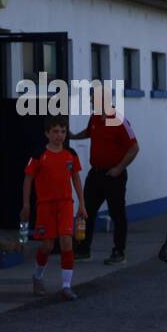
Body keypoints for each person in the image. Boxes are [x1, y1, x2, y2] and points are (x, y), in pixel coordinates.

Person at [71, 86, 138, 264]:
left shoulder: (118, 119)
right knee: (86, 212)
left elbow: (134, 148)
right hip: (96, 174)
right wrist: (72, 136)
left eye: (94, 99)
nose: (92, 101)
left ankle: (119, 251)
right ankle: (83, 249)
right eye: (92, 98)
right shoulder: (94, 118)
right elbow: (89, 132)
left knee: (117, 214)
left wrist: (119, 168)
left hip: (114, 175)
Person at [22, 115, 86, 301]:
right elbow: (28, 179)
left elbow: (76, 178)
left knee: (66, 242)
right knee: (47, 245)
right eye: (56, 132)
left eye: (63, 132)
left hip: (66, 204)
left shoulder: (70, 154)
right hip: (46, 205)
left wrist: (81, 203)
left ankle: (66, 286)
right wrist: (26, 204)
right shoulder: (39, 155)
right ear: (47, 133)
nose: (60, 135)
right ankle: (38, 276)